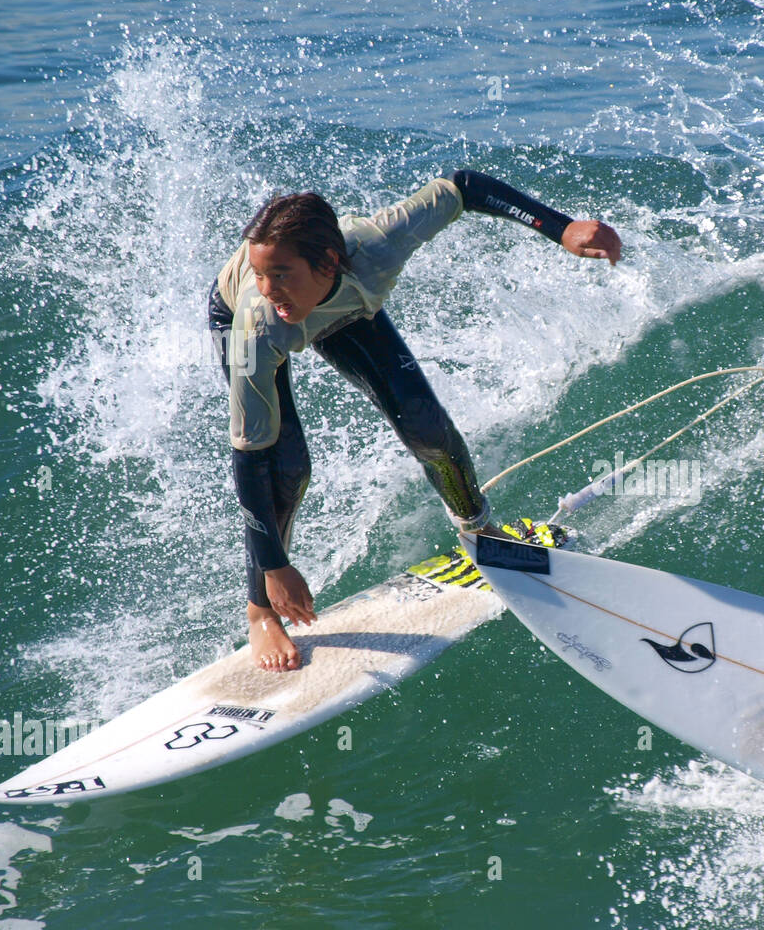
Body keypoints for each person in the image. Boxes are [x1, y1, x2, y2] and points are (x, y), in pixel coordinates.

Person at [208, 170, 621, 672]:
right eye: (260, 274)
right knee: (287, 468)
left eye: (281, 273)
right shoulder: (260, 318)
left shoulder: (379, 243)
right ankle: (260, 612)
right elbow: (249, 459)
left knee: (427, 427)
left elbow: (464, 187)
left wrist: (560, 228)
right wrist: (275, 566)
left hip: (342, 308)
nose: (268, 288)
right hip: (241, 323)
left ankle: (480, 530)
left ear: (329, 261)